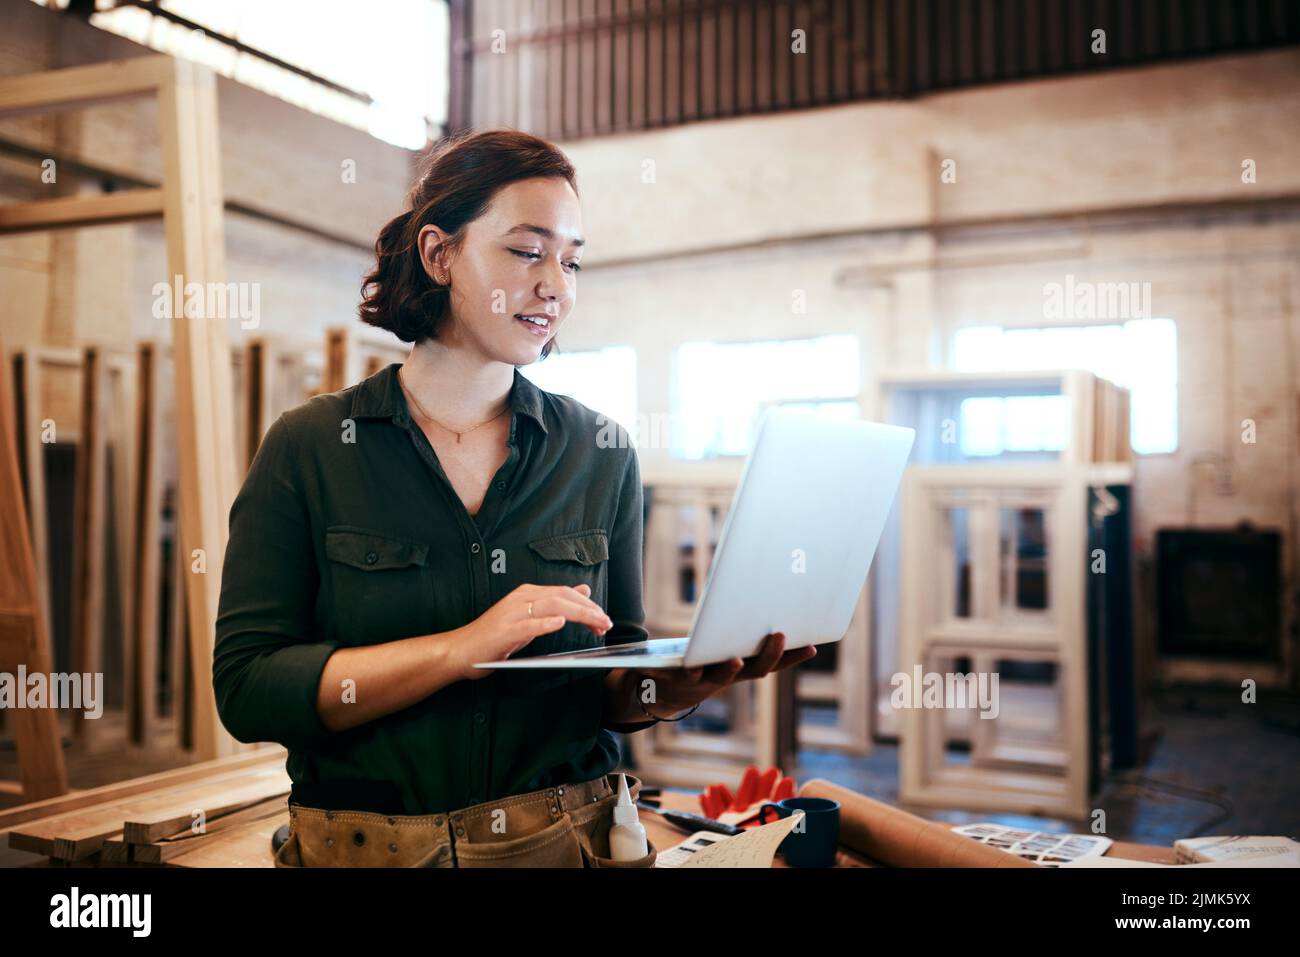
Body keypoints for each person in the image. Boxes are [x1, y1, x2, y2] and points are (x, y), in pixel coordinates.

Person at [212, 128, 814, 866]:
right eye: (527, 251)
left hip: (567, 843)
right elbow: (247, 689)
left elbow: (613, 682)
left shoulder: (600, 451)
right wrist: (460, 650)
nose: (555, 285)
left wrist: (678, 684)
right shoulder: (311, 446)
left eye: (572, 260)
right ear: (439, 255)